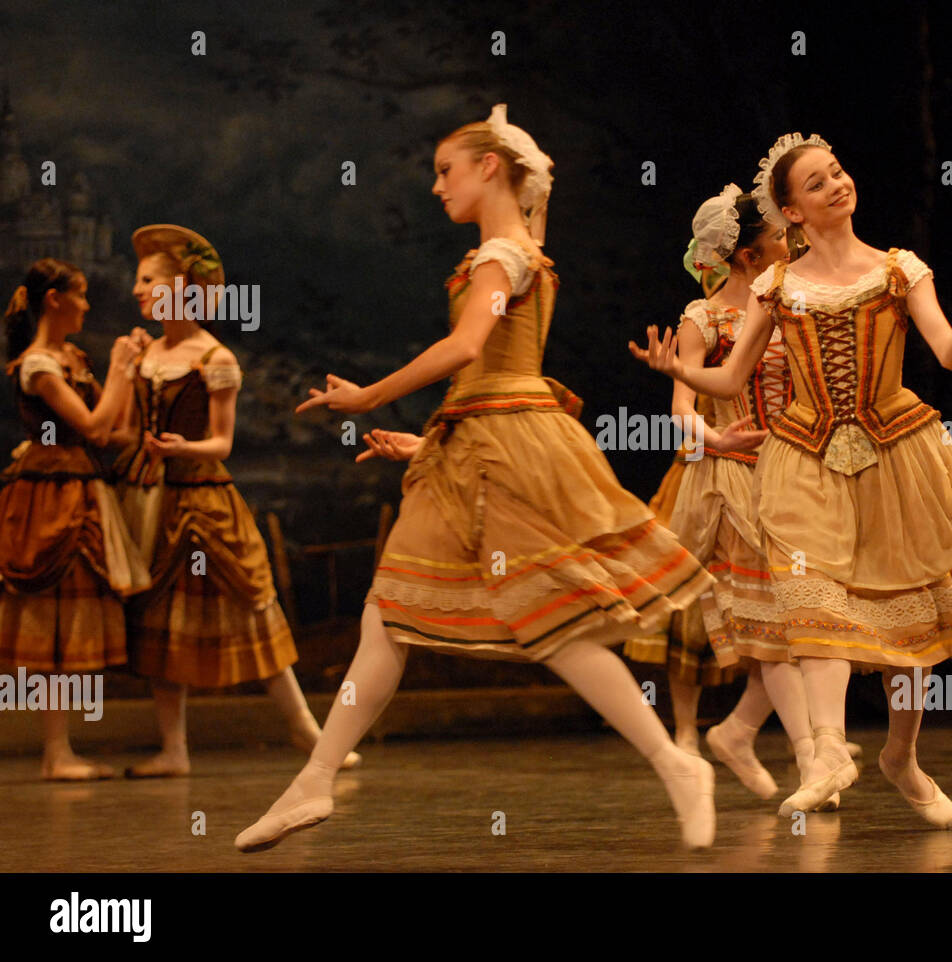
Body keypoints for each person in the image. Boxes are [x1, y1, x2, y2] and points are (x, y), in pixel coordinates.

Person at [236, 105, 716, 853]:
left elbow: (467, 348)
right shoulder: (516, 250)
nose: (437, 187)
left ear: (489, 166)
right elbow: (483, 374)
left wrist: (368, 396)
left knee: (554, 625)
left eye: (446, 170)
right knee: (389, 615)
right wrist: (419, 442)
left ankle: (674, 763)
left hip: (507, 450)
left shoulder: (504, 254)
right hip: (470, 446)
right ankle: (315, 780)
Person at [632, 132, 952, 827]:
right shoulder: (778, 284)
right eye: (817, 184)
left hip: (897, 452)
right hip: (804, 455)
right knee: (810, 600)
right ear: (792, 213)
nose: (837, 185)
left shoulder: (900, 270)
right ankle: (830, 747)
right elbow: (730, 375)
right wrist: (679, 373)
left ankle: (901, 756)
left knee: (909, 622)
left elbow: (950, 358)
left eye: (838, 172)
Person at [114, 225, 355, 776]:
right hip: (155, 502)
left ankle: (306, 731)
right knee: (160, 622)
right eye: (138, 279)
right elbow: (126, 430)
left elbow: (222, 443)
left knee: (252, 608)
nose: (136, 290)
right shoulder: (147, 352)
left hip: (205, 500)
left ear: (181, 287)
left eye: (148, 279)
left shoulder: (214, 357)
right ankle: (174, 749)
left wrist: (182, 446)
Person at [0, 259, 148, 778]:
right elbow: (90, 422)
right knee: (52, 617)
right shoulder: (39, 365)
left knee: (71, 616)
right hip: (49, 493)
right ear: (56, 299)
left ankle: (59, 750)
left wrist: (132, 384)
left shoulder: (72, 357)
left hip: (81, 486)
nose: (87, 305)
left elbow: (109, 433)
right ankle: (54, 752)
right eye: (80, 296)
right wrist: (123, 367)